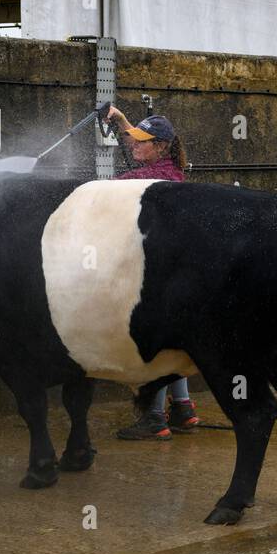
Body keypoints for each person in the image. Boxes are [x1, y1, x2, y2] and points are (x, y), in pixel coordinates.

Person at [105, 105, 201, 438]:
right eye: (132, 139)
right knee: (175, 342)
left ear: (159, 146)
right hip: (178, 271)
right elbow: (138, 145)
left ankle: (155, 417)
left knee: (155, 343)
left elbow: (105, 190)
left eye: (141, 142)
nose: (133, 145)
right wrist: (120, 121)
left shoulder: (143, 178)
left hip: (155, 274)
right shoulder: (171, 167)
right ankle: (184, 410)